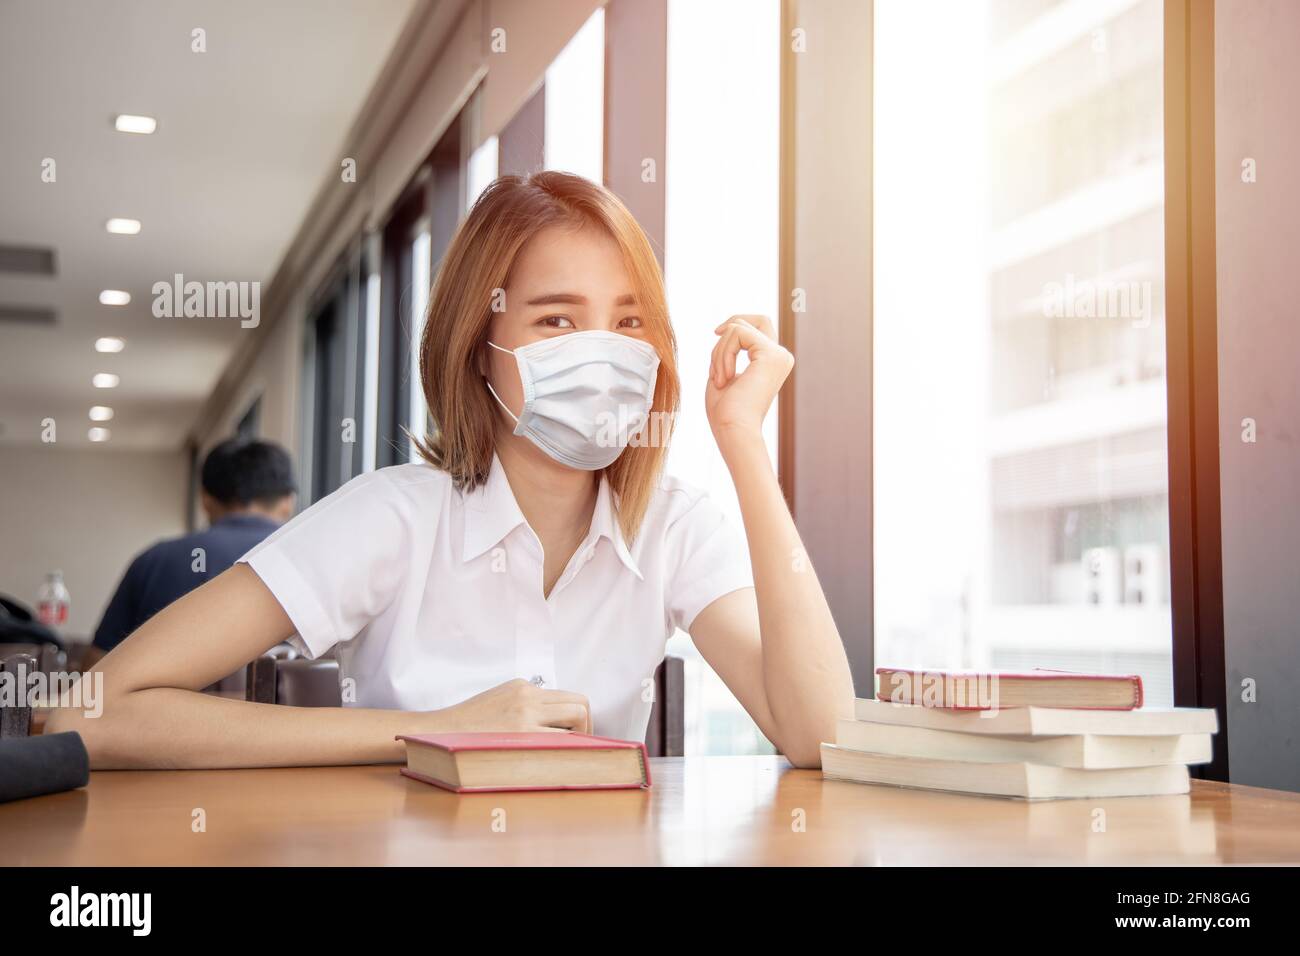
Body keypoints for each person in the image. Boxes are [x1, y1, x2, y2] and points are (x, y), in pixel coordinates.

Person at [50, 171, 854, 769]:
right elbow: (88, 714)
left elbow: (818, 735)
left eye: (629, 320)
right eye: (557, 319)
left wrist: (743, 441)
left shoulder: (674, 525)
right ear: (480, 347)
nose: (603, 352)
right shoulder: (392, 517)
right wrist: (440, 731)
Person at [86, 438, 296, 664]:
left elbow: (96, 666)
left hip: (162, 699)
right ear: (288, 502)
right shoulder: (310, 562)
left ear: (205, 500)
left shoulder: (153, 561)